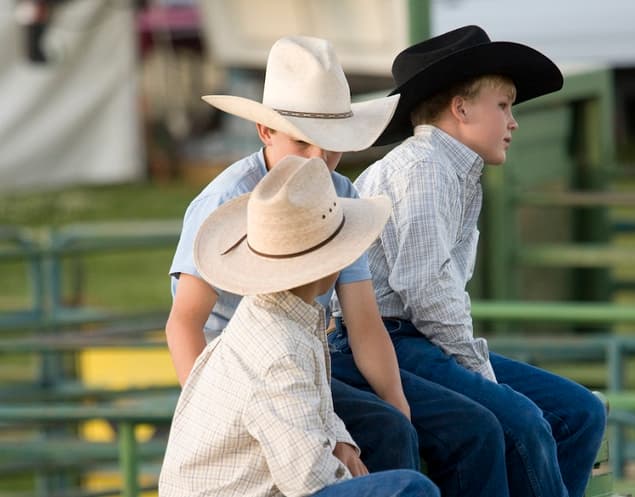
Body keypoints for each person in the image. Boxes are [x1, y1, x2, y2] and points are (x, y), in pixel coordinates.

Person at [333, 25, 607, 497]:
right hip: (384, 339)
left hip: (414, 338)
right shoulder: (424, 169)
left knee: (581, 411)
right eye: (503, 106)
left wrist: (479, 371)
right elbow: (426, 289)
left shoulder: (452, 170)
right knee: (518, 421)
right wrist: (480, 373)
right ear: (460, 108)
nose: (514, 121)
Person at [164, 34, 418, 472]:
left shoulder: (339, 193)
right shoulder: (226, 201)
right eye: (303, 143)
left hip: (306, 361)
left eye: (333, 142)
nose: (319, 158)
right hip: (241, 376)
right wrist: (213, 411)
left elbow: (363, 321)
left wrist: (399, 405)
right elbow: (185, 321)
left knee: (403, 425)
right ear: (265, 130)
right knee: (381, 432)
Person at [158, 155, 440, 497]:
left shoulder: (280, 318)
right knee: (409, 488)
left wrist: (339, 440)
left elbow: (311, 404)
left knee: (389, 450)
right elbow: (308, 479)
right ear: (328, 266)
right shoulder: (281, 349)